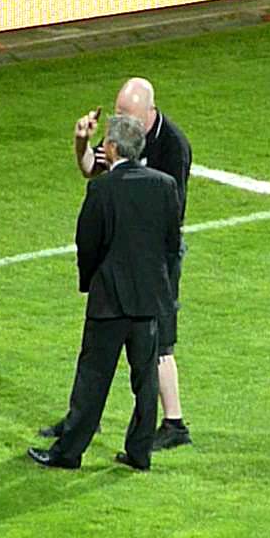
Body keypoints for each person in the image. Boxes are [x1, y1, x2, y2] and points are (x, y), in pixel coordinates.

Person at [40, 78, 195, 450]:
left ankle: (173, 423)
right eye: (116, 112)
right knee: (114, 345)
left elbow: (172, 213)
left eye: (124, 114)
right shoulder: (124, 135)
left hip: (154, 256)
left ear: (147, 112)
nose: (117, 121)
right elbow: (90, 168)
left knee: (158, 340)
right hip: (126, 252)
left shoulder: (173, 146)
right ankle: (84, 421)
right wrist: (81, 141)